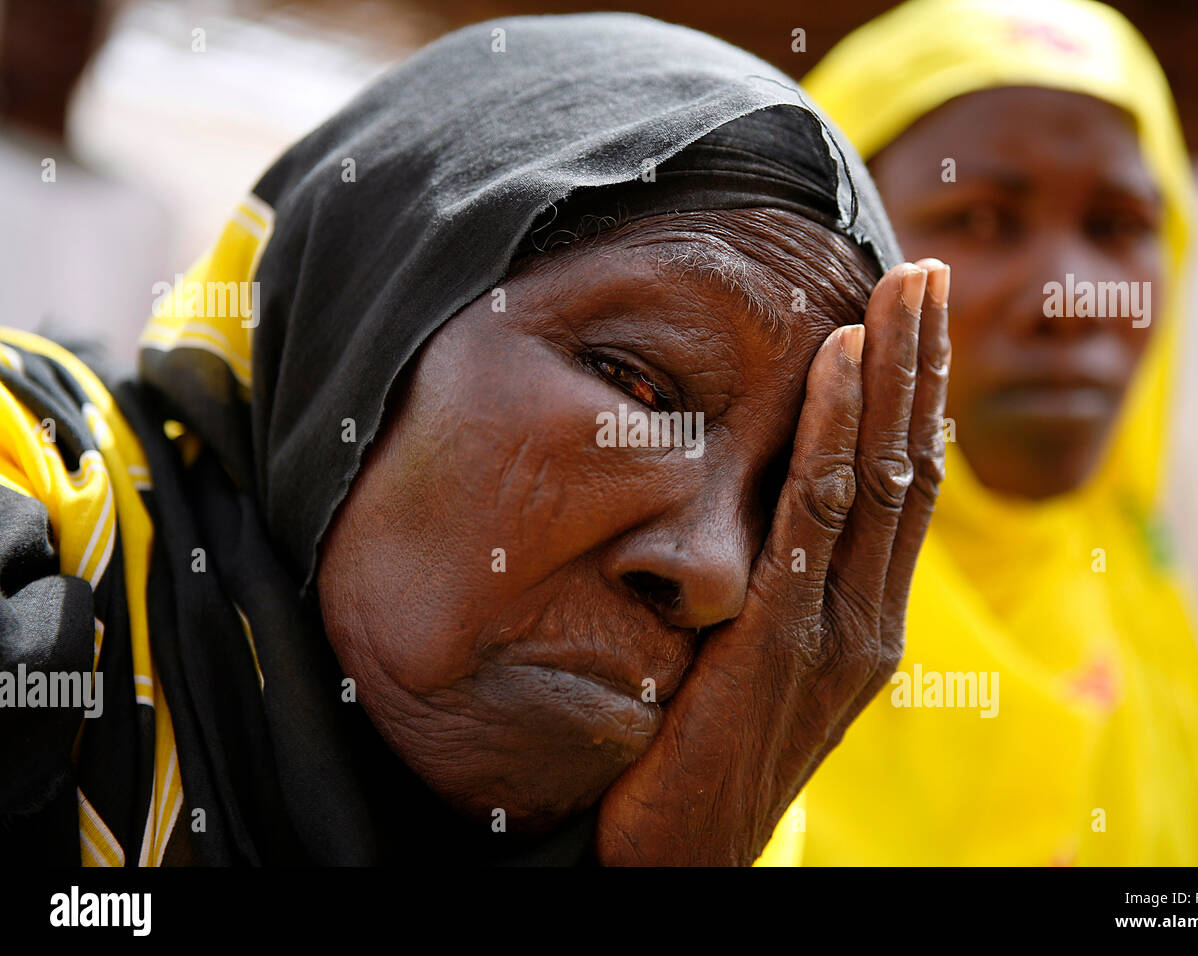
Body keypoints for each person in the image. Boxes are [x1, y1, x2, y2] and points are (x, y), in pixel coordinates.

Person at [0, 13, 949, 865]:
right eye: (641, 386)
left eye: (782, 503)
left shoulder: (729, 829)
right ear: (364, 314)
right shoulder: (37, 517)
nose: (712, 574)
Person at [794, 0, 1198, 864]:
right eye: (980, 220)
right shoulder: (737, 616)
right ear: (831, 253)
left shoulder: (1134, 594)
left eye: (1118, 227)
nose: (1071, 299)